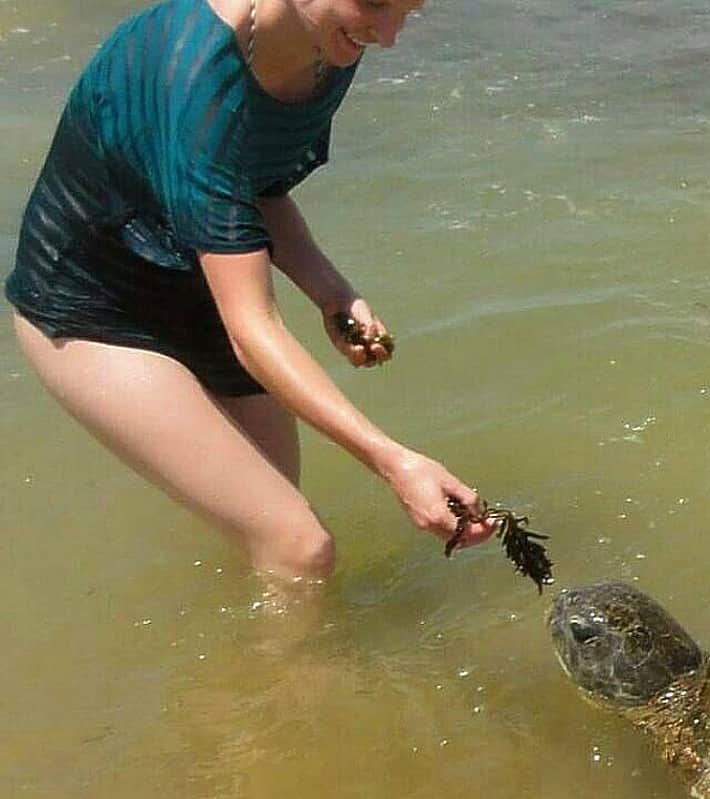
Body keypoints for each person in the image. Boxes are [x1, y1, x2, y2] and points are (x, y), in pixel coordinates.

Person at [4, 0, 494, 580]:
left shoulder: (330, 43)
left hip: (202, 285)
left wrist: (332, 293)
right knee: (299, 546)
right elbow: (252, 327)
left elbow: (254, 188)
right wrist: (394, 462)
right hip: (94, 311)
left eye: (407, 12)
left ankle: (259, 671)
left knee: (279, 537)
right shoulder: (195, 71)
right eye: (375, 4)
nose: (387, 36)